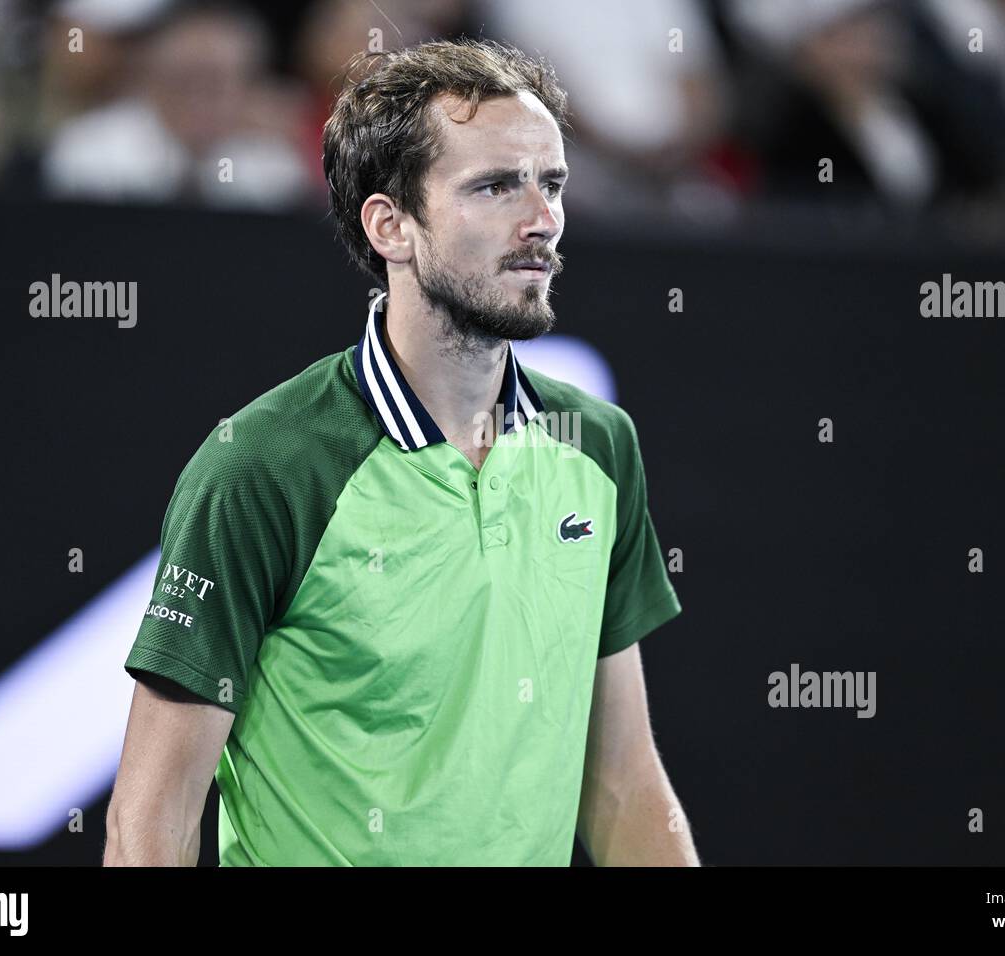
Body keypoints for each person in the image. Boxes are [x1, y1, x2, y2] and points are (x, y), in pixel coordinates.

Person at [105, 38, 697, 866]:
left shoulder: (599, 446)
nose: (542, 220)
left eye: (550, 182)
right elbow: (150, 823)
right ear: (391, 225)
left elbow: (624, 783)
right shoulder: (264, 466)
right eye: (495, 186)